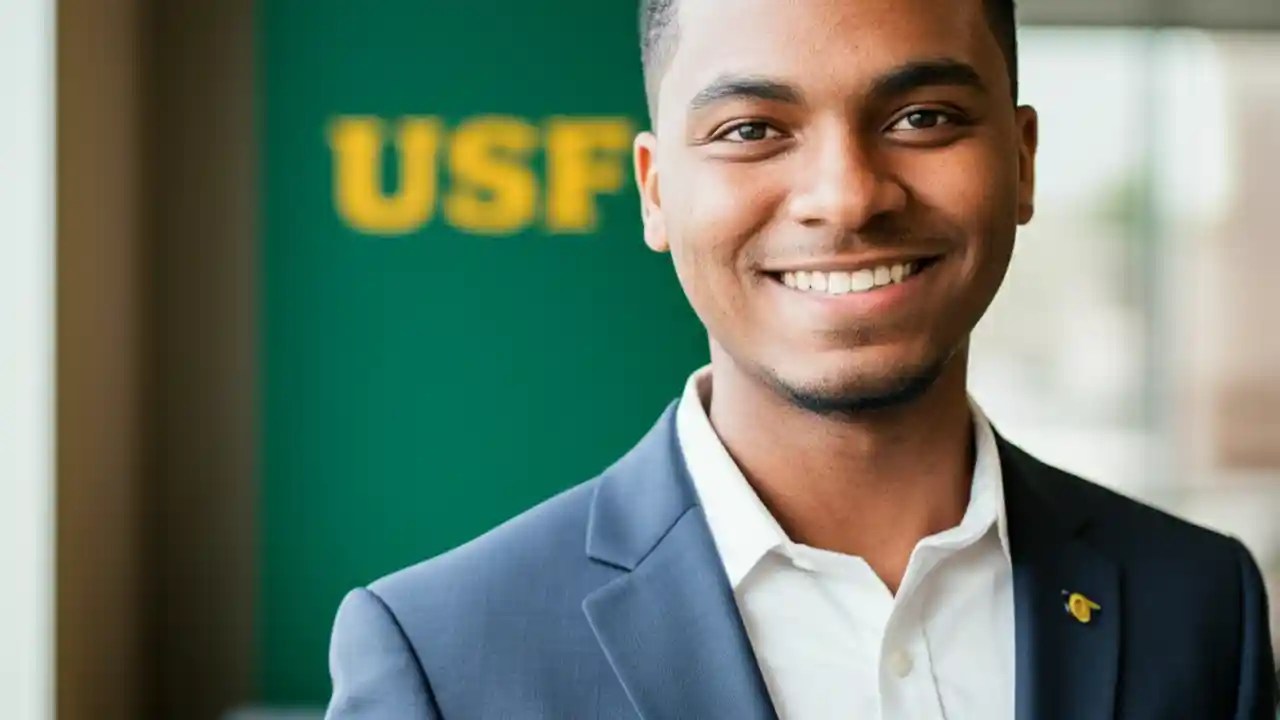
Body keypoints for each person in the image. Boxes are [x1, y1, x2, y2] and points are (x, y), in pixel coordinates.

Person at [324, 0, 1278, 717]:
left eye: (924, 118)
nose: (848, 196)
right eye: (751, 131)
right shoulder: (440, 659)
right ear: (656, 194)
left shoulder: (1199, 603)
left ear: (1022, 161)